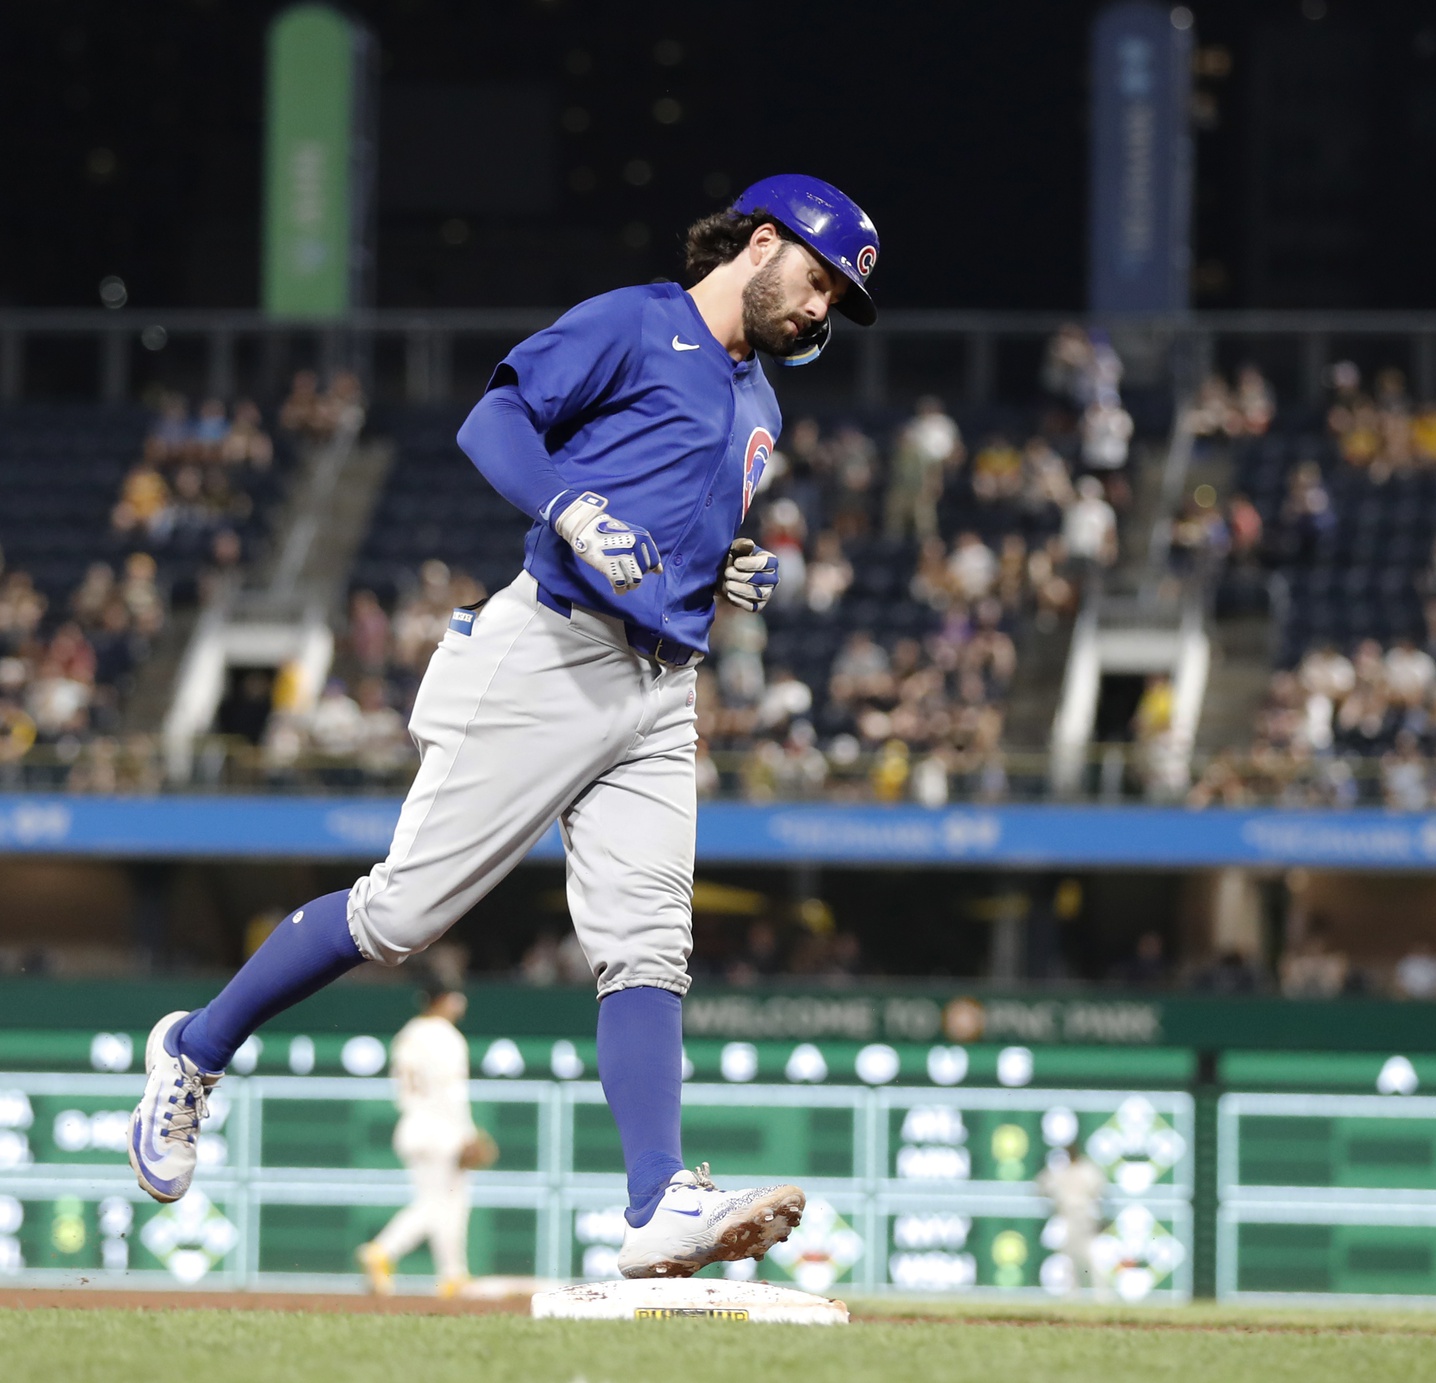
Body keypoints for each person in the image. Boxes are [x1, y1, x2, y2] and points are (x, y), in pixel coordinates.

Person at [126, 174, 883, 1280]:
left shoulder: (764, 404)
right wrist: (568, 506)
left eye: (834, 300)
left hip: (661, 686)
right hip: (548, 654)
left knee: (649, 949)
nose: (820, 310)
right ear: (760, 243)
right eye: (816, 280)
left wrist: (724, 561)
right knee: (401, 915)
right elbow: (496, 419)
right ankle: (193, 1052)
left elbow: (668, 509)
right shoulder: (637, 321)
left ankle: (656, 1202)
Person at [357, 984, 488, 1298]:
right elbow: (453, 1091)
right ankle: (383, 1250)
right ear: (442, 1001)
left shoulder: (408, 1034)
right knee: (442, 1204)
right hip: (442, 1128)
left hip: (412, 1124)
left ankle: (453, 1274)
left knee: (446, 1201)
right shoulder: (447, 1036)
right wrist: (467, 1134)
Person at [1035, 1143, 1105, 1297]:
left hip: (1083, 1217)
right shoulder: (1062, 1170)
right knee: (1070, 1259)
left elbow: (1099, 1191)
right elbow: (1041, 1185)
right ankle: (1074, 1294)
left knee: (1090, 1258)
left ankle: (1101, 1295)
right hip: (1069, 1217)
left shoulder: (1085, 1170)